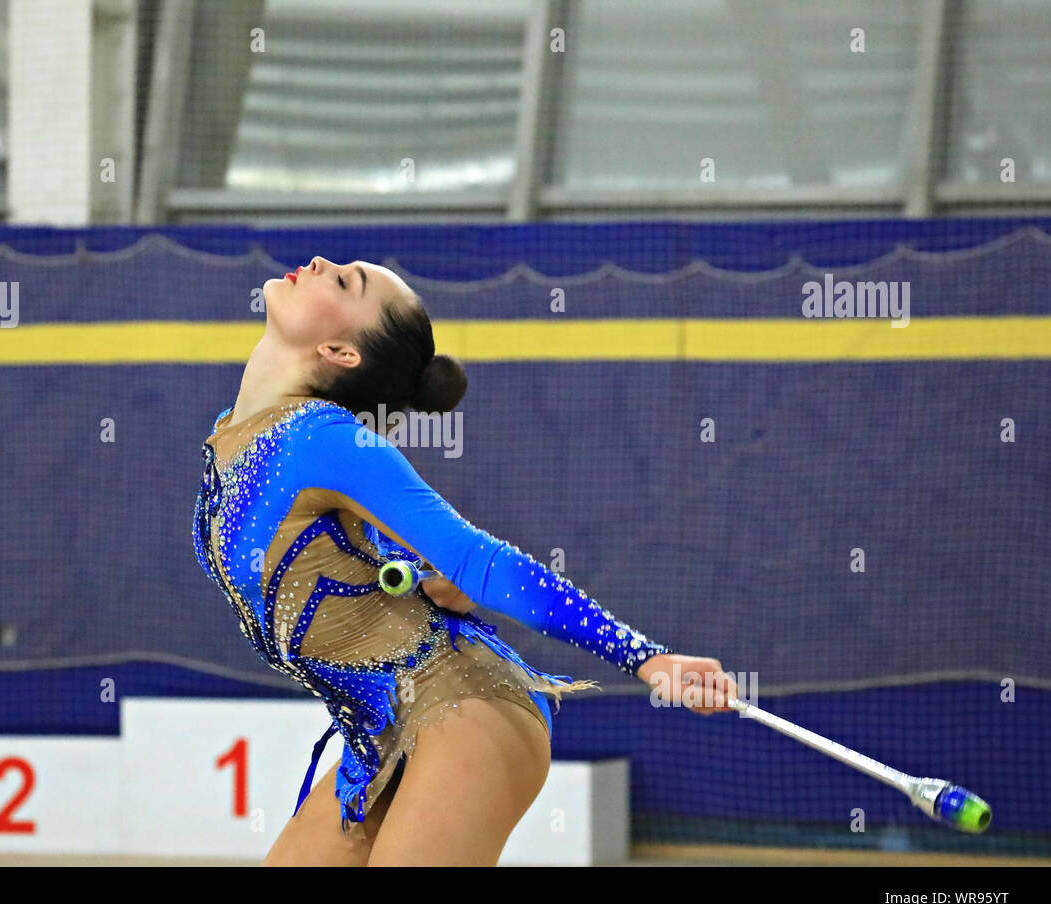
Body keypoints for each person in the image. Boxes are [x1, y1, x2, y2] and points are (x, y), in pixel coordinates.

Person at [195, 256, 738, 866]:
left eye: (345, 282)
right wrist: (421, 576)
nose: (321, 264)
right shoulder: (229, 435)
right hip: (374, 735)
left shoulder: (325, 439)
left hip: (461, 702)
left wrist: (646, 658)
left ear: (340, 352)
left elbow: (481, 560)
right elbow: (370, 560)